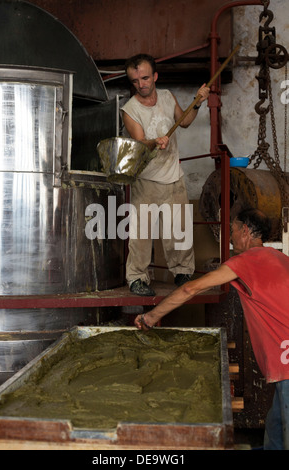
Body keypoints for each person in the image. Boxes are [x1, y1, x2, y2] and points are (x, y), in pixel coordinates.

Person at [134, 208, 289, 450]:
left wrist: (150, 317)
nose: (230, 236)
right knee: (276, 428)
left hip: (287, 364)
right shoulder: (281, 258)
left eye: (233, 230)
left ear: (245, 232)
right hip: (284, 366)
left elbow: (190, 289)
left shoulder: (246, 261)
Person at [121, 53, 210, 297]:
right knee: (141, 234)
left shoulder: (168, 97)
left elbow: (186, 121)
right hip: (147, 181)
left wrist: (198, 101)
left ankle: (182, 273)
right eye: (136, 80)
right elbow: (140, 143)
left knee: (179, 231)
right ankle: (137, 278)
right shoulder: (129, 110)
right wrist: (154, 141)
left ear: (155, 76)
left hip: (174, 176)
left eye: (145, 78)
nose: (142, 84)